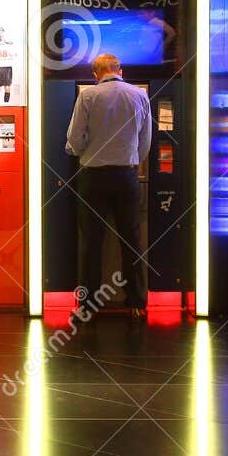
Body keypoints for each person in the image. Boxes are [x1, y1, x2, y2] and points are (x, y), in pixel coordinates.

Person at [65, 52, 151, 315]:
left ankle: (87, 305)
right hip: (127, 175)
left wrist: (82, 151)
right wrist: (132, 159)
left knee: (91, 243)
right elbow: (145, 141)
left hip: (93, 177)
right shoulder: (140, 95)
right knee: (132, 240)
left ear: (95, 74)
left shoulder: (87, 96)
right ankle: (136, 303)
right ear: (120, 71)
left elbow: (74, 138)